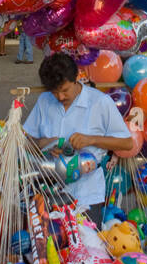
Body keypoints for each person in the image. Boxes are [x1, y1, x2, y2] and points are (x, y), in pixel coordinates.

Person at [22, 53, 134, 227]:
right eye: (55, 91)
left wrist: (91, 140)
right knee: (52, 246)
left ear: (76, 79)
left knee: (88, 245)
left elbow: (127, 143)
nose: (60, 97)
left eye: (64, 90)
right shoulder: (45, 101)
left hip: (86, 194)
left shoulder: (99, 102)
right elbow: (26, 140)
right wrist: (43, 144)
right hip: (49, 192)